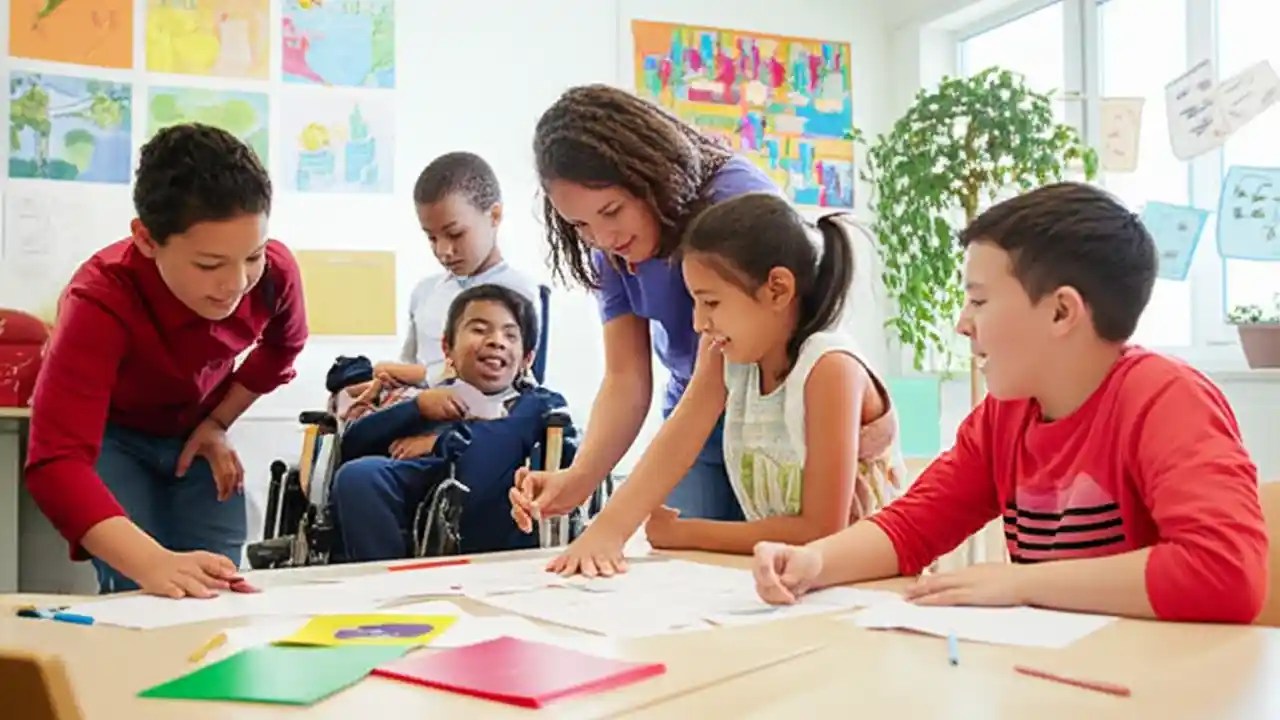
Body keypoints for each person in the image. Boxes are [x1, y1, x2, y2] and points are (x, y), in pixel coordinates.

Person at [752, 182, 1269, 624]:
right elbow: (911, 528)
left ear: (1062, 311)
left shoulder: (1166, 401)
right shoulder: (1006, 416)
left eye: (978, 300)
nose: (962, 321)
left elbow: (1225, 574)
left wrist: (1023, 584)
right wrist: (813, 561)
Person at [521, 193, 904, 576]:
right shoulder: (722, 355)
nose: (699, 323)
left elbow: (821, 531)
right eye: (695, 304)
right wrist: (607, 531)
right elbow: (677, 439)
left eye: (712, 303)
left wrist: (686, 532)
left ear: (777, 290)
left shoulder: (830, 369)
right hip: (799, 581)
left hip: (868, 586)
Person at [25, 123, 308, 597]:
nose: (237, 284)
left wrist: (217, 422)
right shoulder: (100, 297)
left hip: (195, 434)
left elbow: (283, 349)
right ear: (146, 239)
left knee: (218, 581)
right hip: (113, 438)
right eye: (209, 265)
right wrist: (150, 563)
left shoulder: (275, 274)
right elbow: (57, 461)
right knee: (142, 588)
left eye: (252, 256)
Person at [510, 83, 783, 530]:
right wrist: (579, 478)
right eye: (581, 225)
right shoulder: (609, 245)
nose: (603, 238)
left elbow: (712, 385)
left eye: (612, 211)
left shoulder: (734, 204)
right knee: (686, 568)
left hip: (775, 418)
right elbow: (625, 376)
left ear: (651, 172)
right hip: (693, 421)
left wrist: (613, 525)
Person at [331, 284, 575, 560]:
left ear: (527, 358)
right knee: (358, 476)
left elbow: (526, 441)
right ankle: (387, 585)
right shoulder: (431, 398)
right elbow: (352, 444)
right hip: (420, 502)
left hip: (498, 515)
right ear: (448, 348)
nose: (497, 341)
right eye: (480, 329)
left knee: (501, 441)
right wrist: (416, 409)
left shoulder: (541, 404)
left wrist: (441, 442)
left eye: (510, 335)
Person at [368, 152, 540, 391]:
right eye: (431, 237)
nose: (443, 251)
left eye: (456, 233)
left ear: (495, 216)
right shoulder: (425, 292)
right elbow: (403, 367)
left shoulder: (519, 292)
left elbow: (509, 377)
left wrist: (413, 374)